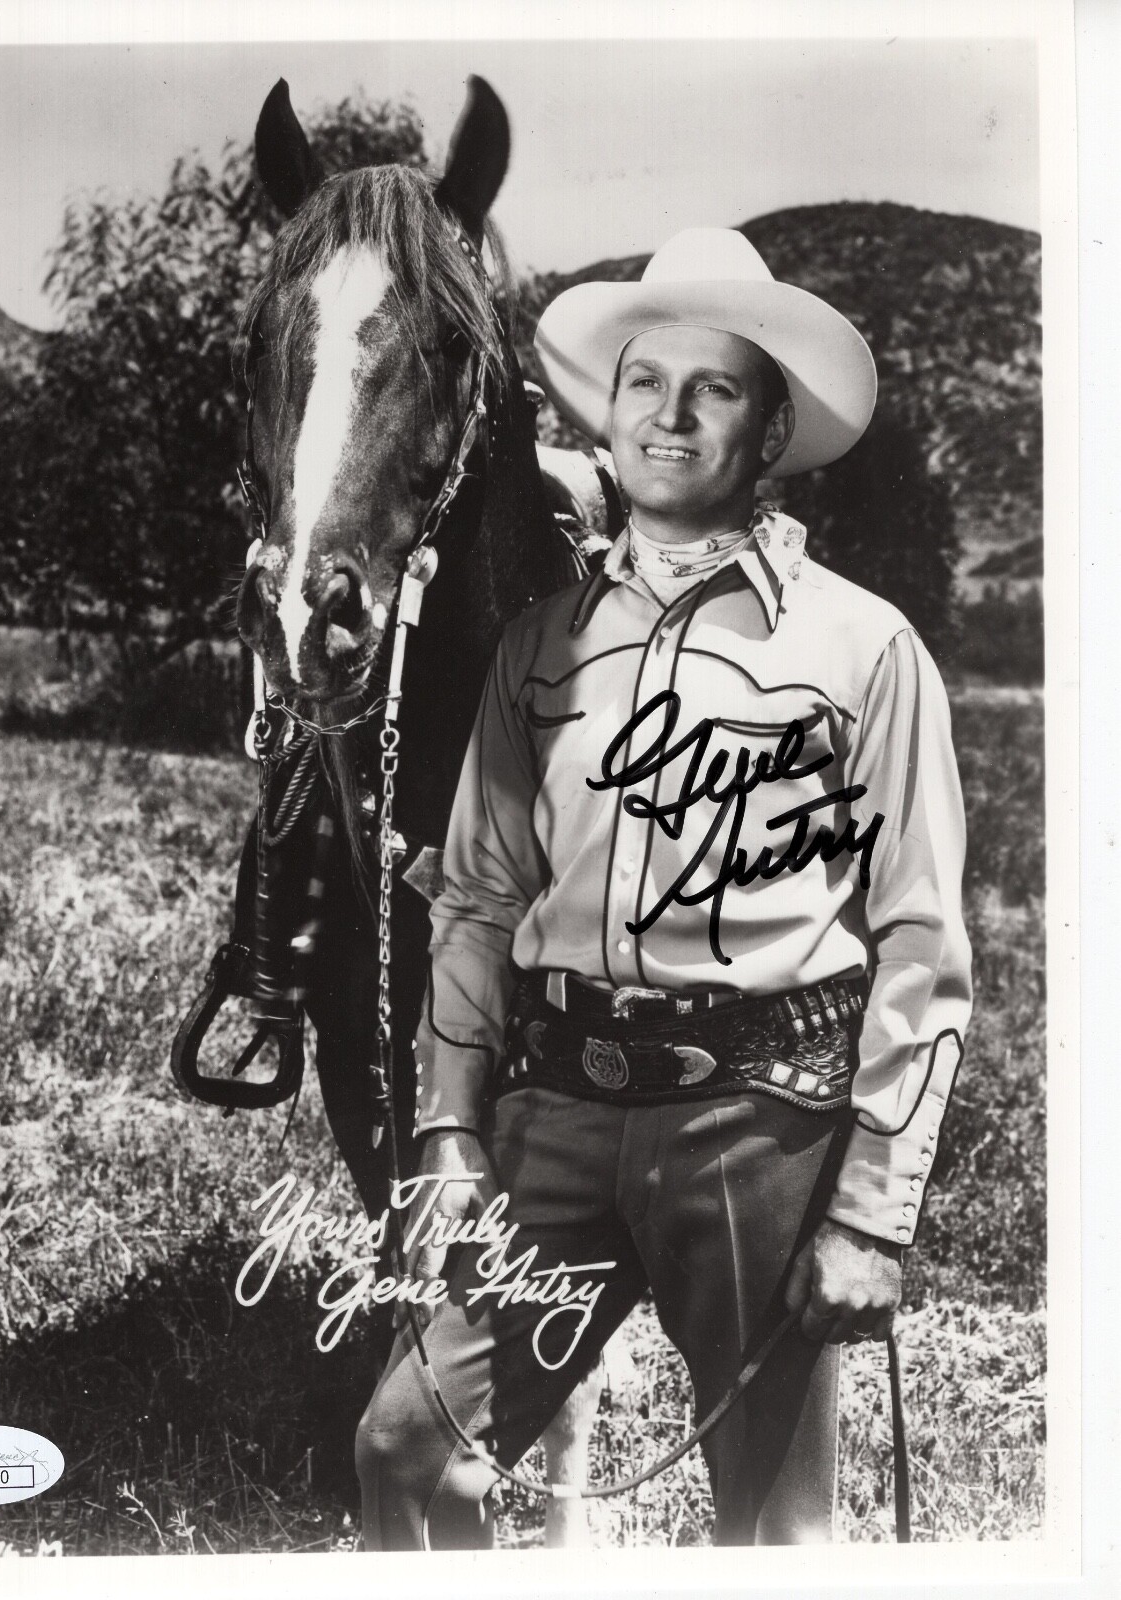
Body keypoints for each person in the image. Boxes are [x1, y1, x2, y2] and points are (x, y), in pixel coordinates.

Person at [356, 228, 972, 1548]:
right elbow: (472, 900)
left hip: (760, 1125)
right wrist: (452, 1130)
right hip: (554, 1118)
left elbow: (921, 940)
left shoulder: (864, 648)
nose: (671, 414)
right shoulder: (542, 644)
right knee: (408, 1455)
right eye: (644, 382)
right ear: (609, 414)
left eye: (715, 386)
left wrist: (869, 1212)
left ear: (767, 430)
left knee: (773, 1532)